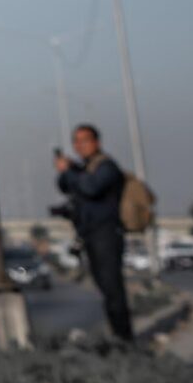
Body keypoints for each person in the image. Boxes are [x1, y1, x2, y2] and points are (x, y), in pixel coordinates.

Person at [55, 123, 133, 342]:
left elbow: (90, 188)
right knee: (105, 288)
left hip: (106, 234)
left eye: (84, 140)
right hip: (91, 234)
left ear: (96, 142)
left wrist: (70, 171)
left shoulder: (106, 167)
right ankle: (119, 338)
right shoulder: (84, 169)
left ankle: (125, 340)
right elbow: (66, 186)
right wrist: (66, 170)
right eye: (76, 141)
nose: (80, 145)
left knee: (112, 289)